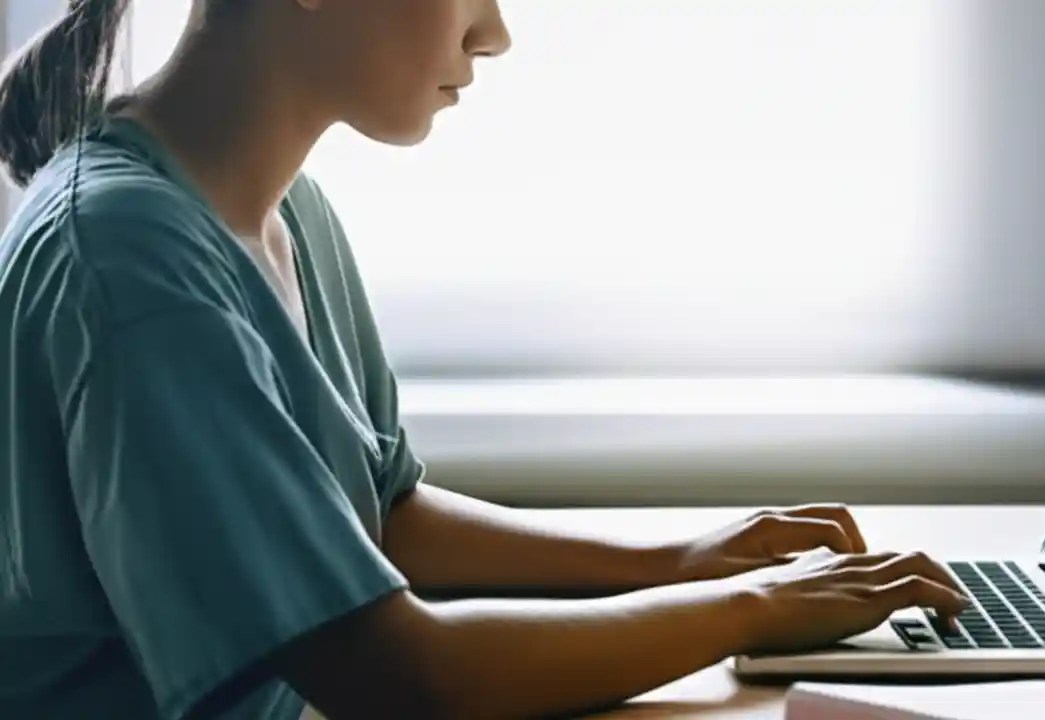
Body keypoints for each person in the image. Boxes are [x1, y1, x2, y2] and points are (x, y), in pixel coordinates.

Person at [0, 1, 969, 718]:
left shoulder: (281, 208)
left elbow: (381, 515)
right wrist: (749, 609)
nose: (494, 33)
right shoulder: (133, 262)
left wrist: (674, 561)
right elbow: (395, 673)